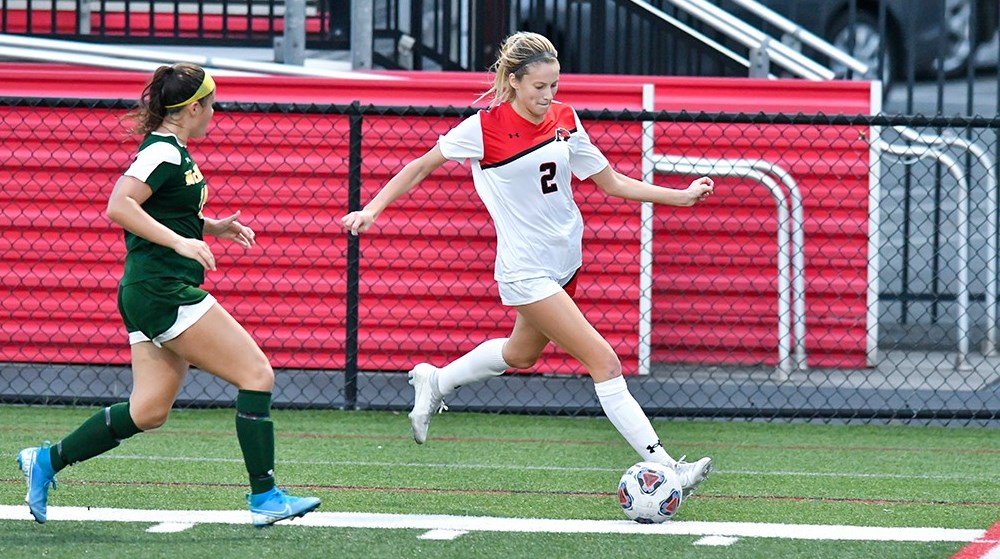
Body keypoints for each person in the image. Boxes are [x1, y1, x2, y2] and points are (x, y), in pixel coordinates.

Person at [341, 32, 716, 498]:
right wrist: (372, 209)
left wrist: (679, 197)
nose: (547, 96)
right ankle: (665, 465)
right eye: (538, 87)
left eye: (553, 86)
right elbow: (420, 166)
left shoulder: (564, 119)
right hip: (524, 270)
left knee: (520, 356)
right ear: (514, 81)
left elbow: (612, 182)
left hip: (565, 262)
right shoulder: (484, 127)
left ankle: (436, 379)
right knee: (604, 361)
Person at [15, 63, 320, 527]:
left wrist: (208, 227)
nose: (214, 113)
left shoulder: (174, 151)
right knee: (257, 374)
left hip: (148, 290)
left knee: (148, 411)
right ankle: (265, 497)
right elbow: (120, 205)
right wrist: (180, 242)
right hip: (162, 290)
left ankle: (47, 460)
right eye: (211, 105)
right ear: (192, 107)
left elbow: (167, 210)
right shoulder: (162, 152)